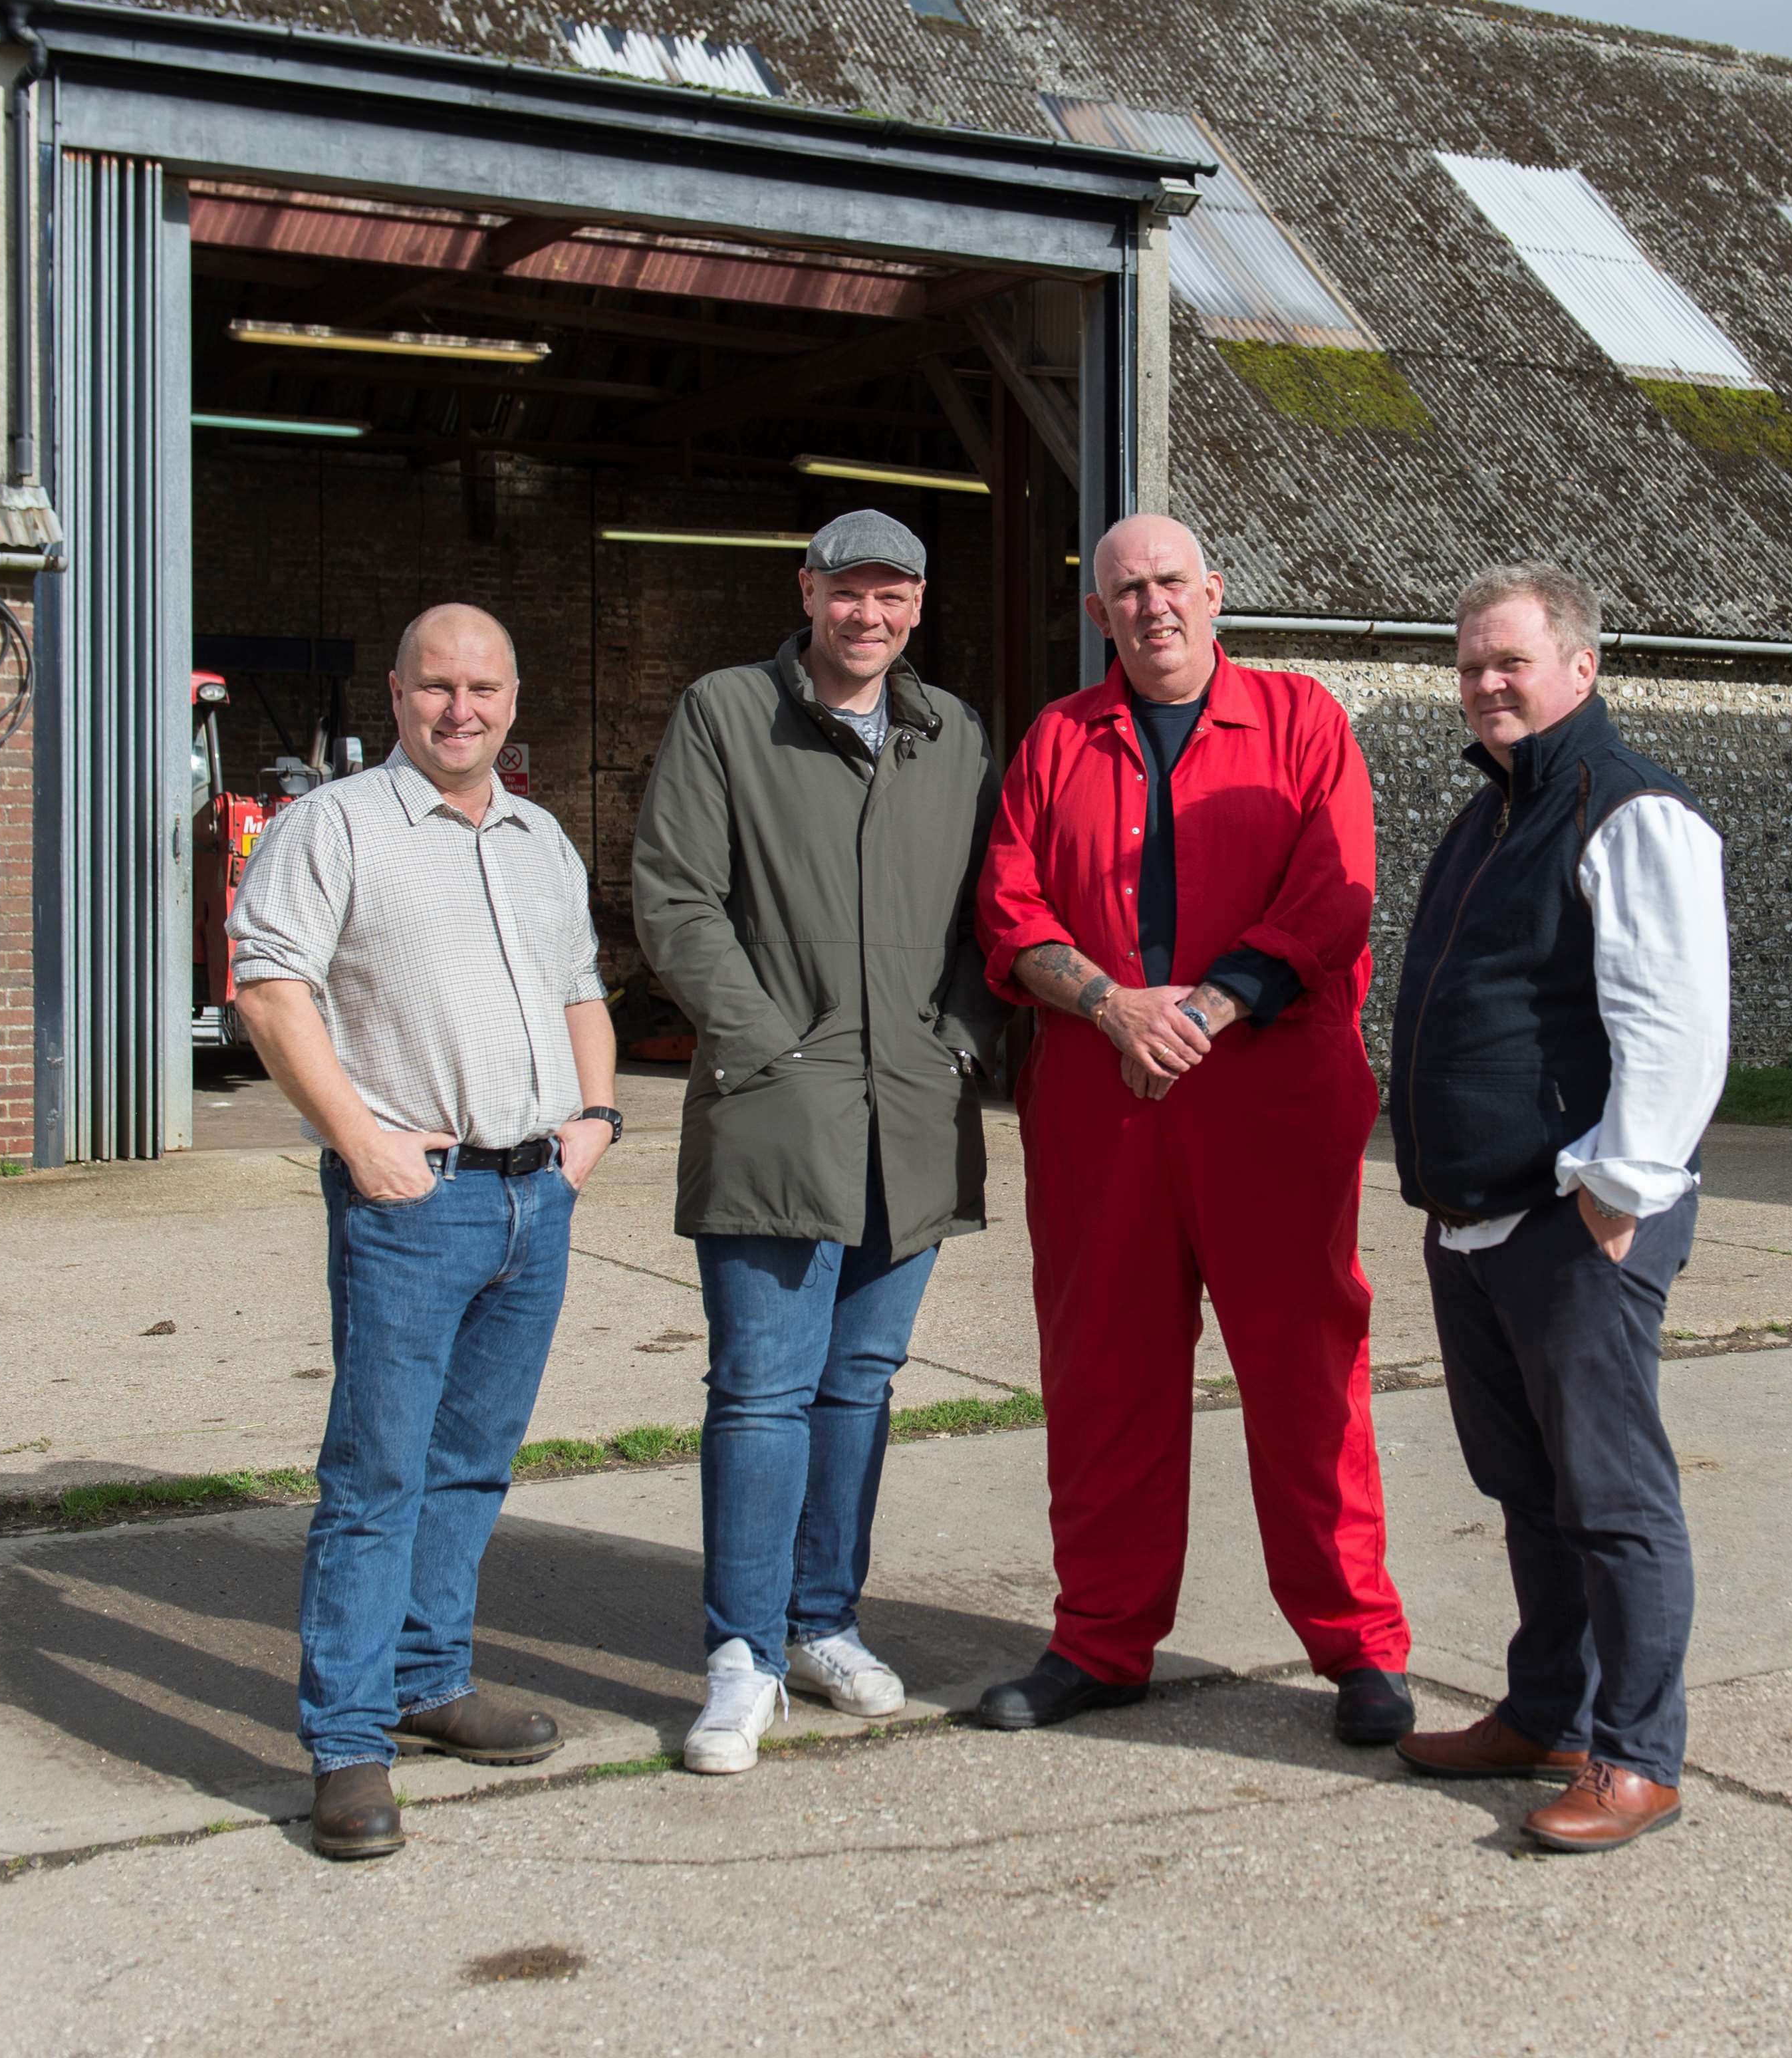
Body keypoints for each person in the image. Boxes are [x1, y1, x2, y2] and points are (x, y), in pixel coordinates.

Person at [971, 512, 1413, 1744]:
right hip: (1103, 1097)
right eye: (1126, 589)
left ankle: (1356, 1648)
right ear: (1100, 611)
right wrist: (1113, 1006)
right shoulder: (1059, 740)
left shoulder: (1304, 721)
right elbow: (1009, 909)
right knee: (1103, 1370)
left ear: (1214, 591)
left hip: (1269, 1091)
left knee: (1306, 1372)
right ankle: (1103, 1642)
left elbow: (1335, 893)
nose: (1152, 604)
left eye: (1171, 581)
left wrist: (1206, 1010)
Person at [227, 602, 624, 1863]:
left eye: (485, 688)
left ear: (516, 699)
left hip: (532, 1199)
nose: (463, 709)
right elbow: (269, 990)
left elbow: (582, 991)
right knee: (377, 1477)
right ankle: (348, 1742)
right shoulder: (330, 828)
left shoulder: (539, 837)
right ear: (394, 695)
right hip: (414, 1201)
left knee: (473, 1463)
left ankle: (427, 1678)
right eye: (437, 687)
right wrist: (359, 1139)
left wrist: (597, 1119)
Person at [632, 509, 1002, 1776]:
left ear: (916, 606)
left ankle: (823, 1622)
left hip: (913, 1109)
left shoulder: (953, 736)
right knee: (760, 1390)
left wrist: (959, 1033)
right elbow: (674, 893)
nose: (871, 616)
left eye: (894, 595)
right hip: (776, 1108)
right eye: (849, 591)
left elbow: (990, 911)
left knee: (859, 1386)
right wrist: (761, 1038)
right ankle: (739, 1655)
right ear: (807, 592)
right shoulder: (727, 712)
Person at [1384, 563, 1729, 1855]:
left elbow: (1678, 1026)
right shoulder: (1492, 813)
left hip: (1572, 1220)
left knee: (1611, 1493)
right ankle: (1546, 1709)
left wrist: (1616, 1196)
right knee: (1523, 1482)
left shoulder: (1625, 808)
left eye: (1509, 661)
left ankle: (1637, 1756)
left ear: (1580, 667)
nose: (1484, 684)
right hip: (1475, 1220)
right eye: (1470, 663)